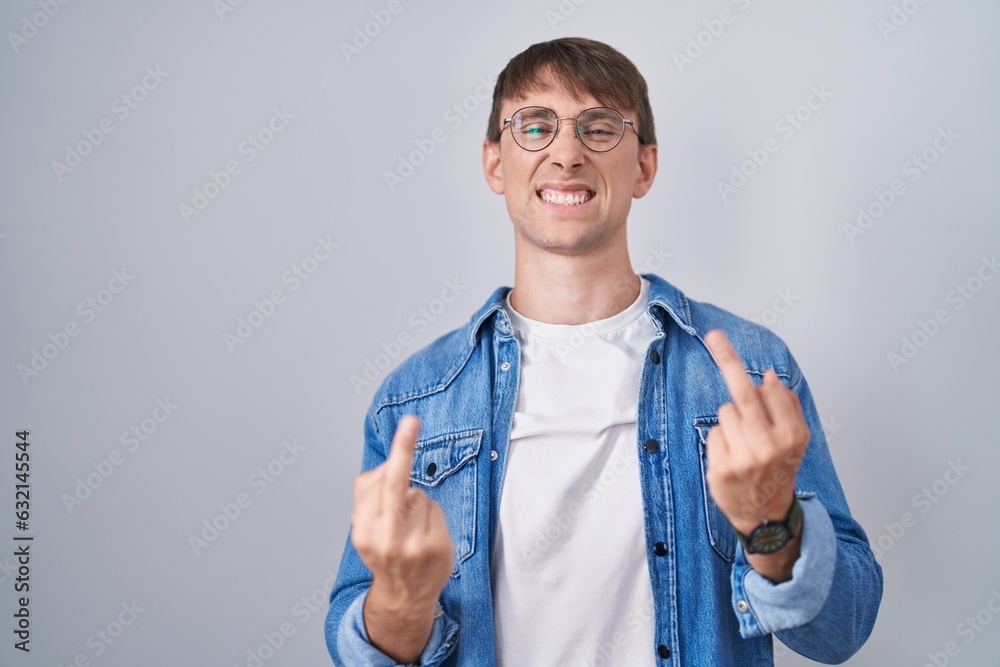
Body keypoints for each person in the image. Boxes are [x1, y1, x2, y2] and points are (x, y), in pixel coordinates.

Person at [325, 37, 882, 666]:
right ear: (494, 163)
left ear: (644, 166)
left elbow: (844, 630)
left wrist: (771, 524)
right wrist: (401, 601)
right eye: (535, 126)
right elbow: (358, 647)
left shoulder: (749, 373)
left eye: (599, 127)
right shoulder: (416, 400)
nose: (566, 153)